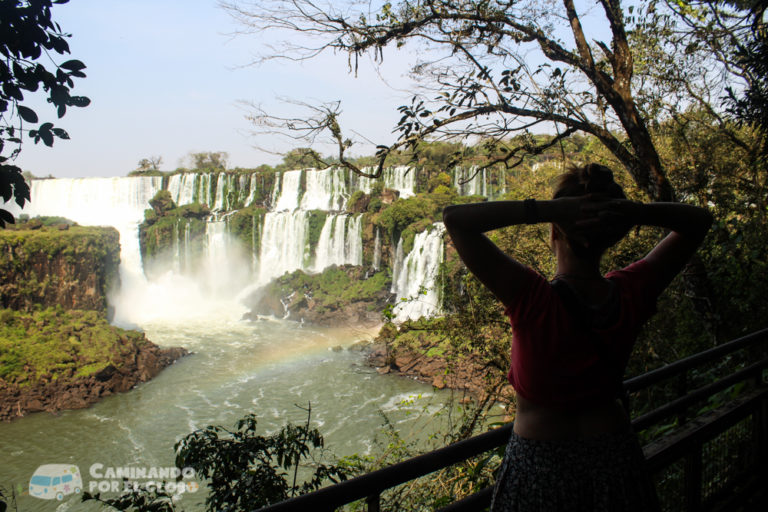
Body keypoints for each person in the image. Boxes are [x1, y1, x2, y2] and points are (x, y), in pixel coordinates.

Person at [441, 163, 713, 511]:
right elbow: (699, 220)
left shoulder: (531, 297)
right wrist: (633, 212)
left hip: (540, 466)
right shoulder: (632, 291)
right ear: (614, 237)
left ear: (554, 232)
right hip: (614, 460)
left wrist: (546, 210)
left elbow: (455, 218)